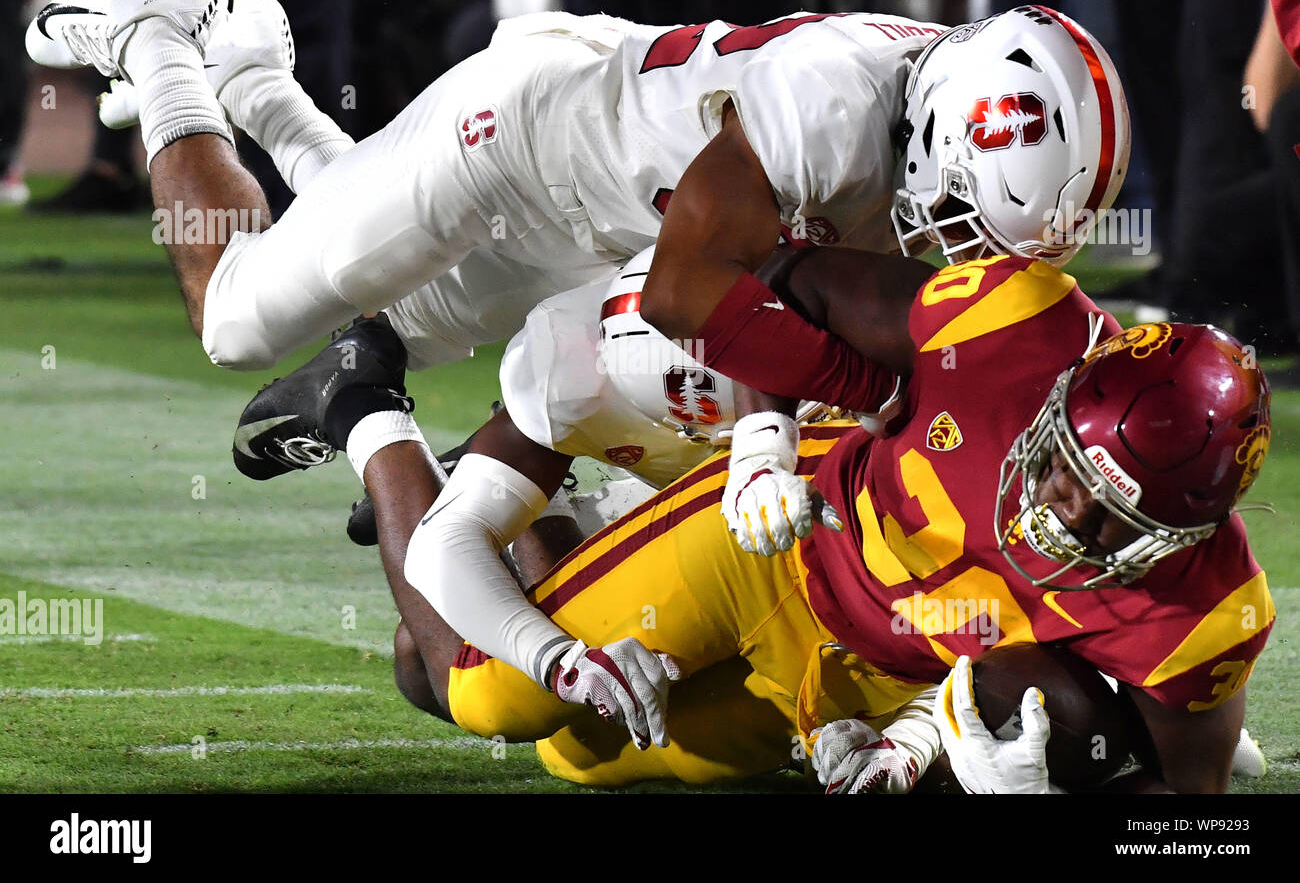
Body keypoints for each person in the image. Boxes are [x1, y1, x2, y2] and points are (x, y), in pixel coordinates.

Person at [235, 241, 1273, 793]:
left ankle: (564, 526)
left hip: (877, 666)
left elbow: (1196, 822)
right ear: (1061, 400)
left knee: (577, 758)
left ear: (1185, 538)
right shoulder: (1013, 325)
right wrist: (764, 445)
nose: (1063, 511)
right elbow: (782, 280)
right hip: (777, 541)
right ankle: (364, 405)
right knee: (474, 691)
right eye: (1067, 471)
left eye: (1110, 521)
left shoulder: (1207, 610)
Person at [25, 0, 1127, 398]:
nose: (957, 244)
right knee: (235, 319)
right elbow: (686, 295)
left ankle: (257, 81)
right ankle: (164, 45)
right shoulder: (830, 103)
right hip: (517, 138)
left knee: (380, 302)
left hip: (599, 196)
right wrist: (876, 392)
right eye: (960, 211)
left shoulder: (951, 87)